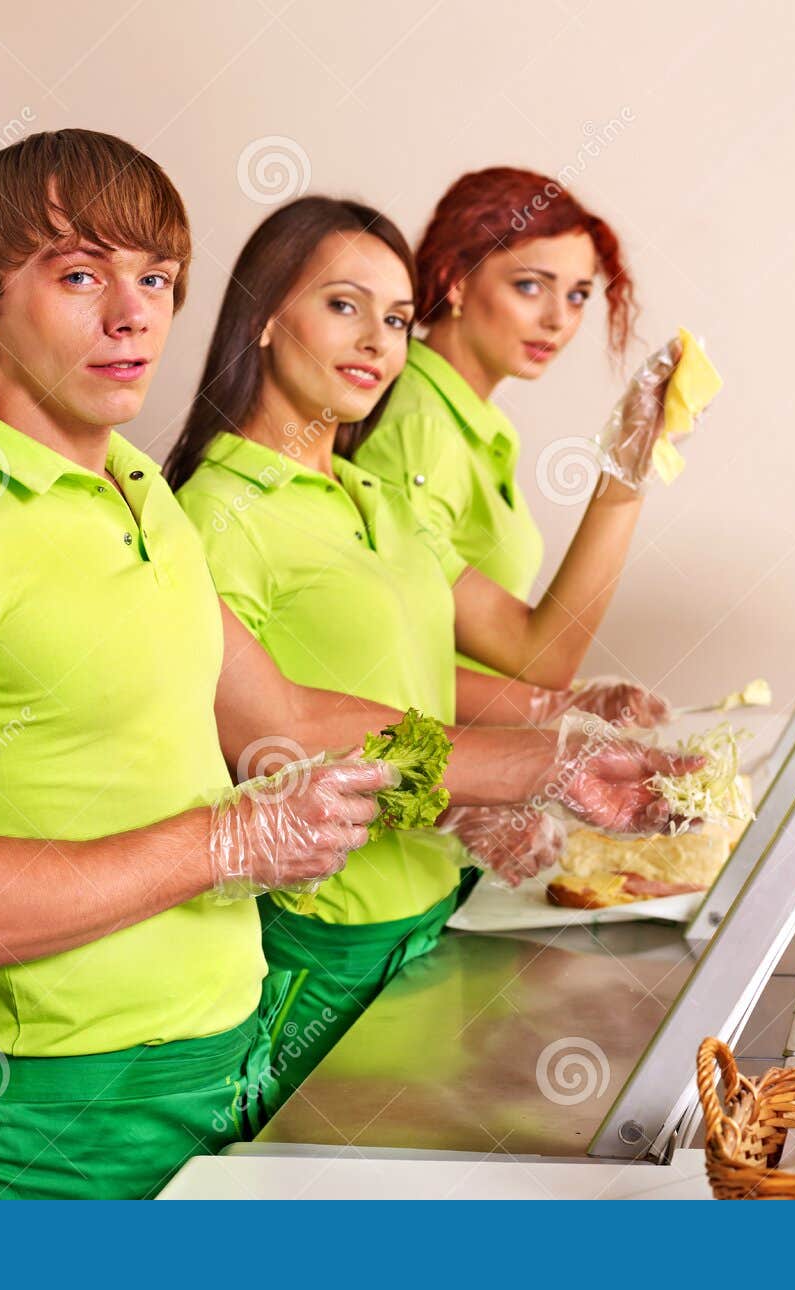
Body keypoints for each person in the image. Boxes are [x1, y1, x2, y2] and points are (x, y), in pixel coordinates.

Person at [0, 131, 698, 1199]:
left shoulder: (138, 493)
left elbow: (284, 714)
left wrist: (545, 763)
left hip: (227, 1064)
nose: (132, 315)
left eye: (156, 279)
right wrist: (227, 840)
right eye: (81, 274)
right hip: (62, 1117)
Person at [164, 196, 694, 1109]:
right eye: (343, 305)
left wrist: (621, 484)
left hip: (431, 910)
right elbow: (251, 733)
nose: (377, 339)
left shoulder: (376, 498)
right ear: (261, 318)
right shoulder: (216, 513)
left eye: (398, 319)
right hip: (323, 938)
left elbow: (517, 653)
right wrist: (517, 770)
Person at [352, 166, 688, 728]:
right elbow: (530, 656)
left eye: (579, 295)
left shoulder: (471, 422)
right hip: (416, 777)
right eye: (530, 286)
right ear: (455, 278)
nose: (558, 319)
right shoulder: (420, 428)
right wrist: (622, 486)